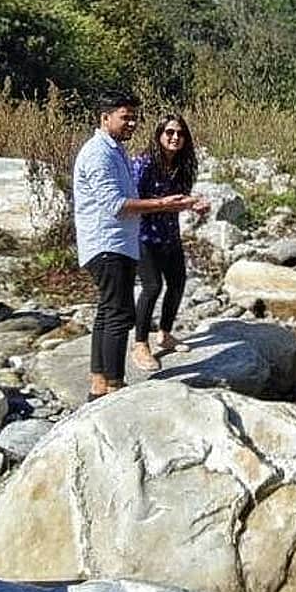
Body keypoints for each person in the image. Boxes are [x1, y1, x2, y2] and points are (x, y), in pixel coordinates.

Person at [72, 93, 202, 401]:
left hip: (119, 243)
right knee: (119, 314)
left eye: (134, 117)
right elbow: (115, 205)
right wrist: (162, 204)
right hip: (108, 243)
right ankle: (116, 387)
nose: (131, 122)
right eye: (124, 116)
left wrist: (179, 204)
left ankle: (99, 385)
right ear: (105, 117)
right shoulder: (98, 154)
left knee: (107, 311)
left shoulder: (115, 151)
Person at [131, 114, 208, 371]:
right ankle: (140, 344)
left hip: (170, 234)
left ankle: (164, 334)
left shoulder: (182, 165)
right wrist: (164, 204)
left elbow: (180, 198)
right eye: (169, 133)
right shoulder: (143, 164)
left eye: (180, 134)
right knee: (152, 287)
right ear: (159, 135)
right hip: (144, 235)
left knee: (177, 283)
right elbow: (130, 203)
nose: (175, 138)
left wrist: (194, 204)